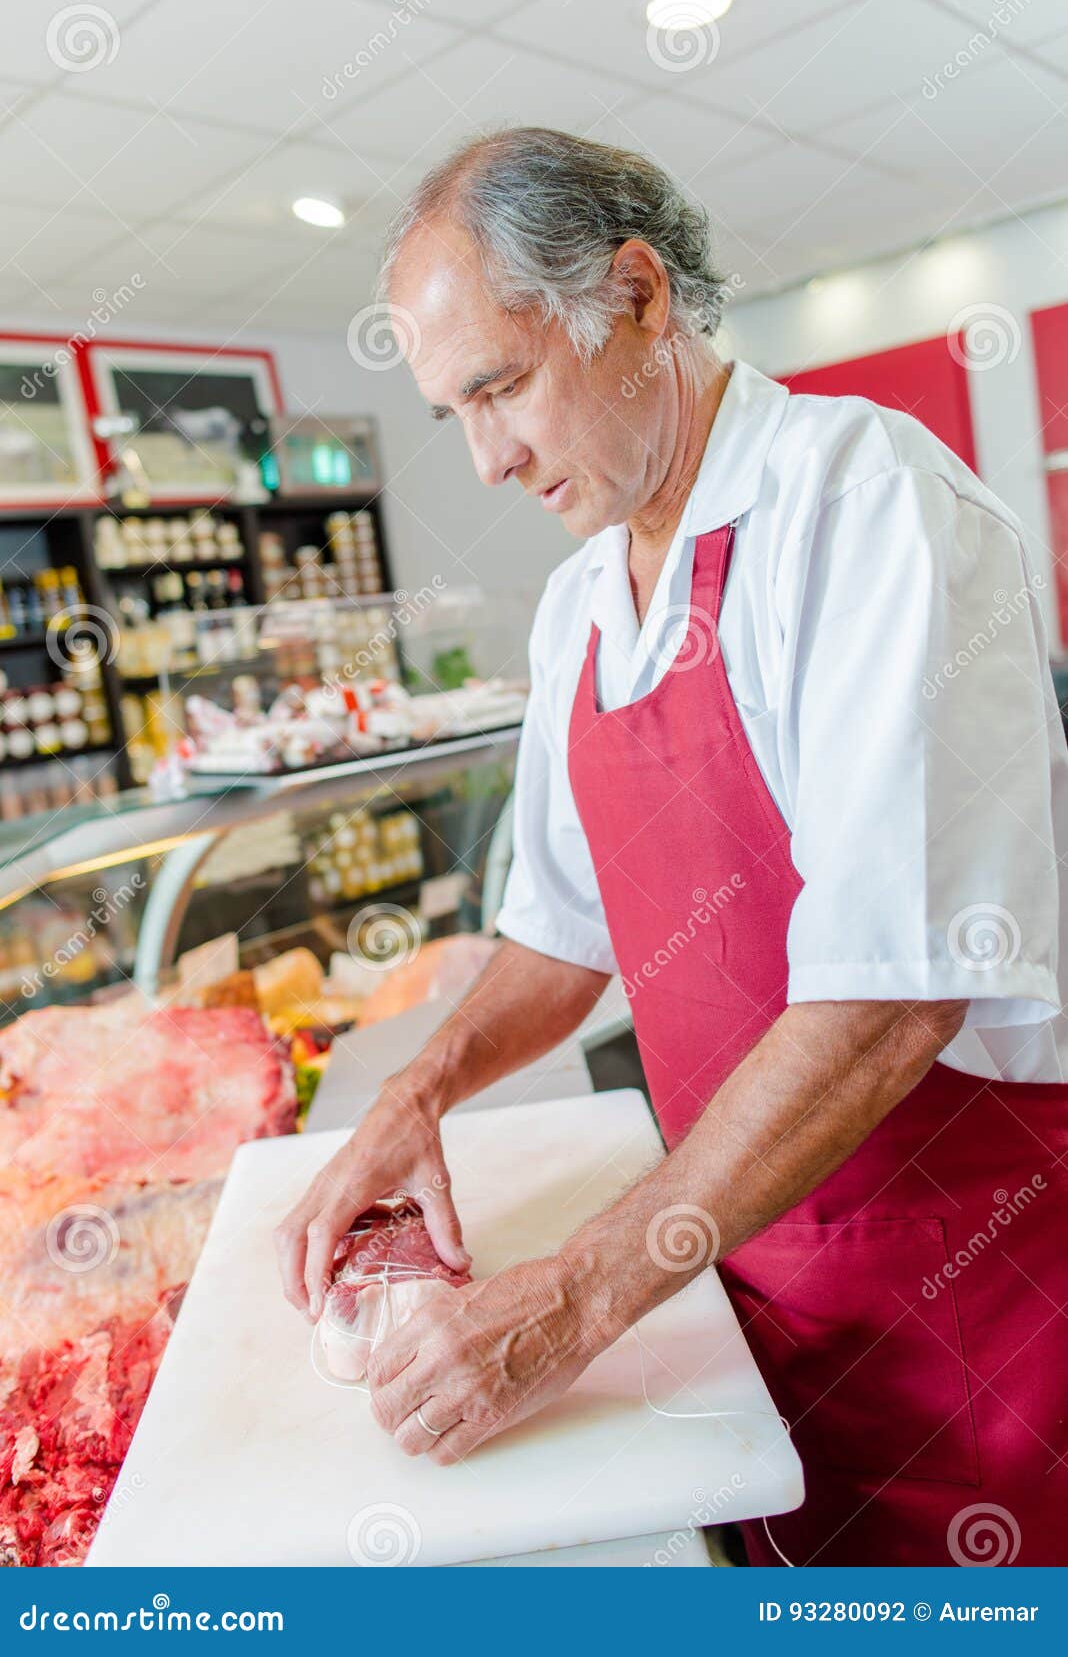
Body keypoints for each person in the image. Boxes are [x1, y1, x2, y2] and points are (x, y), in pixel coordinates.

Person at [276, 129, 1068, 1566]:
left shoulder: (865, 502)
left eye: (503, 386)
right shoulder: (581, 604)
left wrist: (575, 1300)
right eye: (455, 409)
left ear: (638, 297)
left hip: (964, 1300)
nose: (489, 458)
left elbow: (891, 995)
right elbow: (558, 934)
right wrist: (420, 1092)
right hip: (728, 1268)